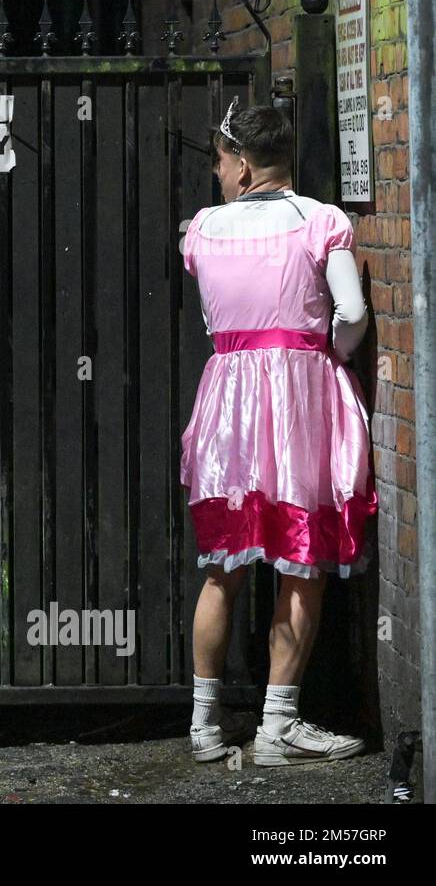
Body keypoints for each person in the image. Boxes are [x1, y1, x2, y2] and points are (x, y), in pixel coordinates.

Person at [180, 99, 376, 767]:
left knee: (223, 568)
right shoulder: (322, 220)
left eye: (219, 158)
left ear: (238, 163)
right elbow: (350, 310)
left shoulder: (202, 228)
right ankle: (277, 727)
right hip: (299, 401)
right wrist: (330, 357)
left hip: (229, 401)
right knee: (304, 563)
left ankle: (204, 727)